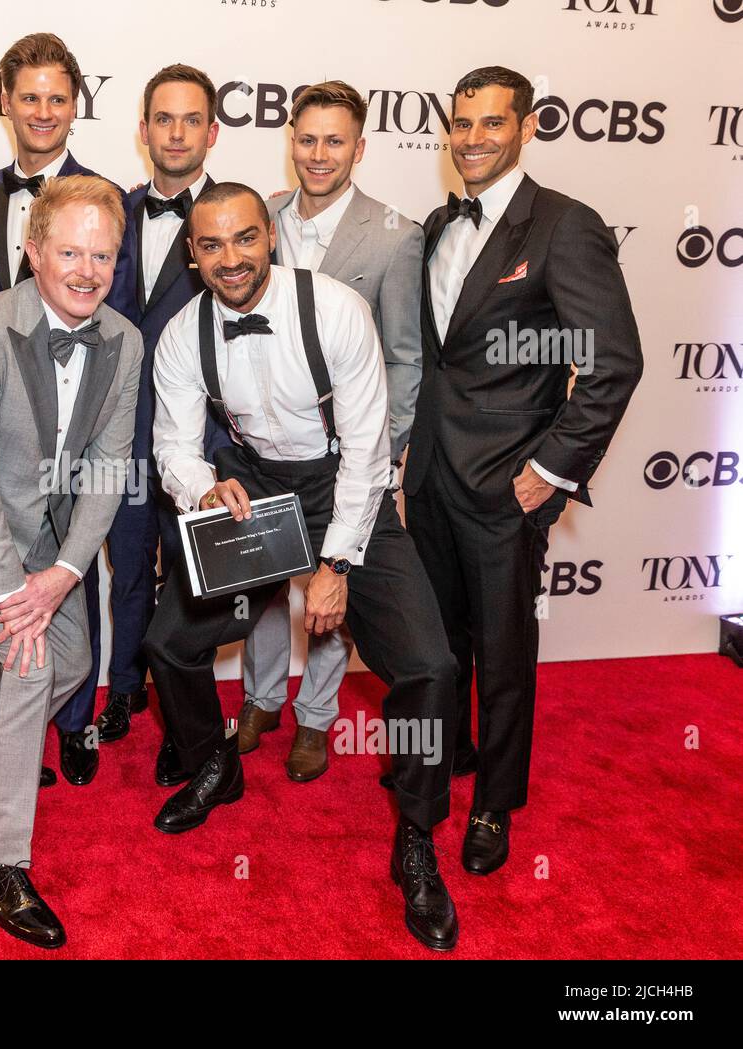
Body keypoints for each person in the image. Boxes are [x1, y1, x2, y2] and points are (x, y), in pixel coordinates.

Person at [144, 182, 461, 951]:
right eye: (212, 245)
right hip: (250, 488)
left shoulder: (336, 311)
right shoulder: (184, 334)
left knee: (430, 665)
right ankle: (215, 763)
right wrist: (202, 487)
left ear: (271, 238)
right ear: (193, 253)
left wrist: (336, 562)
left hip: (343, 487)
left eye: (245, 238)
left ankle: (417, 837)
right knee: (169, 644)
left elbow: (368, 452)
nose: (230, 258)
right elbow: (174, 445)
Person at [402, 66, 642, 876]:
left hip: (506, 484)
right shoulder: (440, 223)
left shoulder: (565, 226)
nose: (472, 139)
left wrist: (548, 469)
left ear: (527, 126)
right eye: (461, 123)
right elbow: (442, 360)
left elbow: (612, 362)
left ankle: (494, 803)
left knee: (503, 654)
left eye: (491, 123)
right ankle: (445, 756)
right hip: (430, 476)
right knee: (436, 644)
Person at [0, 175, 142, 948]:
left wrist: (66, 572)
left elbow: (109, 467)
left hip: (46, 531)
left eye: (102, 256)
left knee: (73, 661)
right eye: (70, 252)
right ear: (34, 251)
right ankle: (2, 863)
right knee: (30, 660)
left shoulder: (125, 340)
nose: (87, 270)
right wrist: (13, 593)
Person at [0, 31, 136, 787]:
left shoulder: (106, 195)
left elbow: (110, 309)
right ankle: (0, 723)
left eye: (58, 98)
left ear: (75, 106)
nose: (43, 110)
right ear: (6, 102)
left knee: (69, 574)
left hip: (80, 410)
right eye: (29, 96)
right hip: (3, 412)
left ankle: (73, 723)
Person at [240, 81, 426, 784]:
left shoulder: (396, 235)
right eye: (308, 139)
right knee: (262, 582)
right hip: (263, 451)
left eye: (335, 141)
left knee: (331, 585)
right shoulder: (259, 216)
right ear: (291, 141)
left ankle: (316, 716)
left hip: (346, 456)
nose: (319, 155)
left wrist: (381, 453)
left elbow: (403, 357)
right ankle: (261, 698)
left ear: (360, 147)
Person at [93, 64, 218, 772]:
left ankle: (182, 718)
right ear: (142, 130)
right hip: (118, 431)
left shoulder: (231, 218)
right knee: (128, 569)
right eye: (163, 119)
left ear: (212, 132)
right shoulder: (111, 209)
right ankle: (123, 689)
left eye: (190, 119)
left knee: (194, 580)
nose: (176, 133)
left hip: (200, 439)